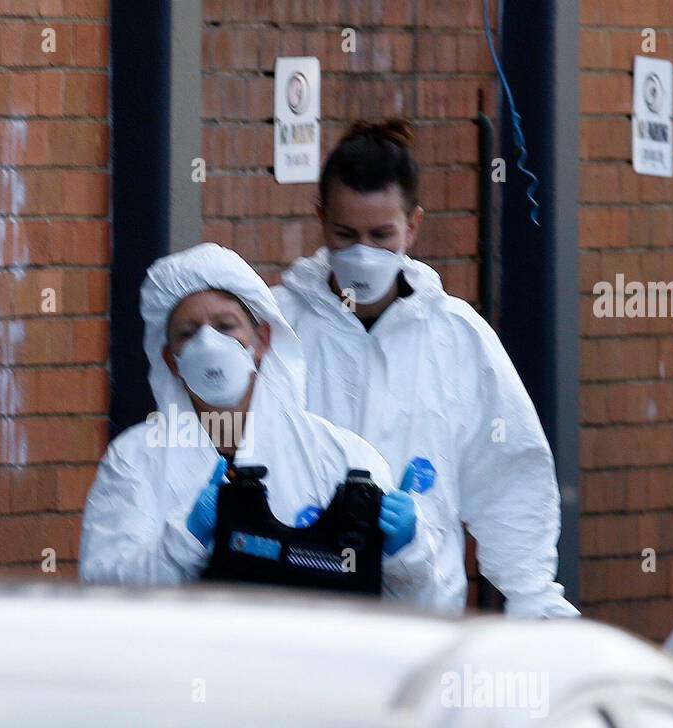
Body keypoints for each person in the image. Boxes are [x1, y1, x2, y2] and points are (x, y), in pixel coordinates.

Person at [273, 119, 577, 618]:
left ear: (413, 226)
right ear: (321, 219)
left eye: (381, 235)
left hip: (420, 627)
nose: (362, 254)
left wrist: (533, 598)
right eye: (345, 235)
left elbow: (509, 473)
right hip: (297, 621)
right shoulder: (278, 327)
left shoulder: (456, 338)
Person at [79, 242, 445, 602]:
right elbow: (105, 593)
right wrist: (185, 541)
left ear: (263, 339)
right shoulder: (136, 460)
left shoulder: (339, 457)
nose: (209, 343)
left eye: (226, 326)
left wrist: (407, 550)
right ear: (171, 359)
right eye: (189, 333)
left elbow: (410, 599)